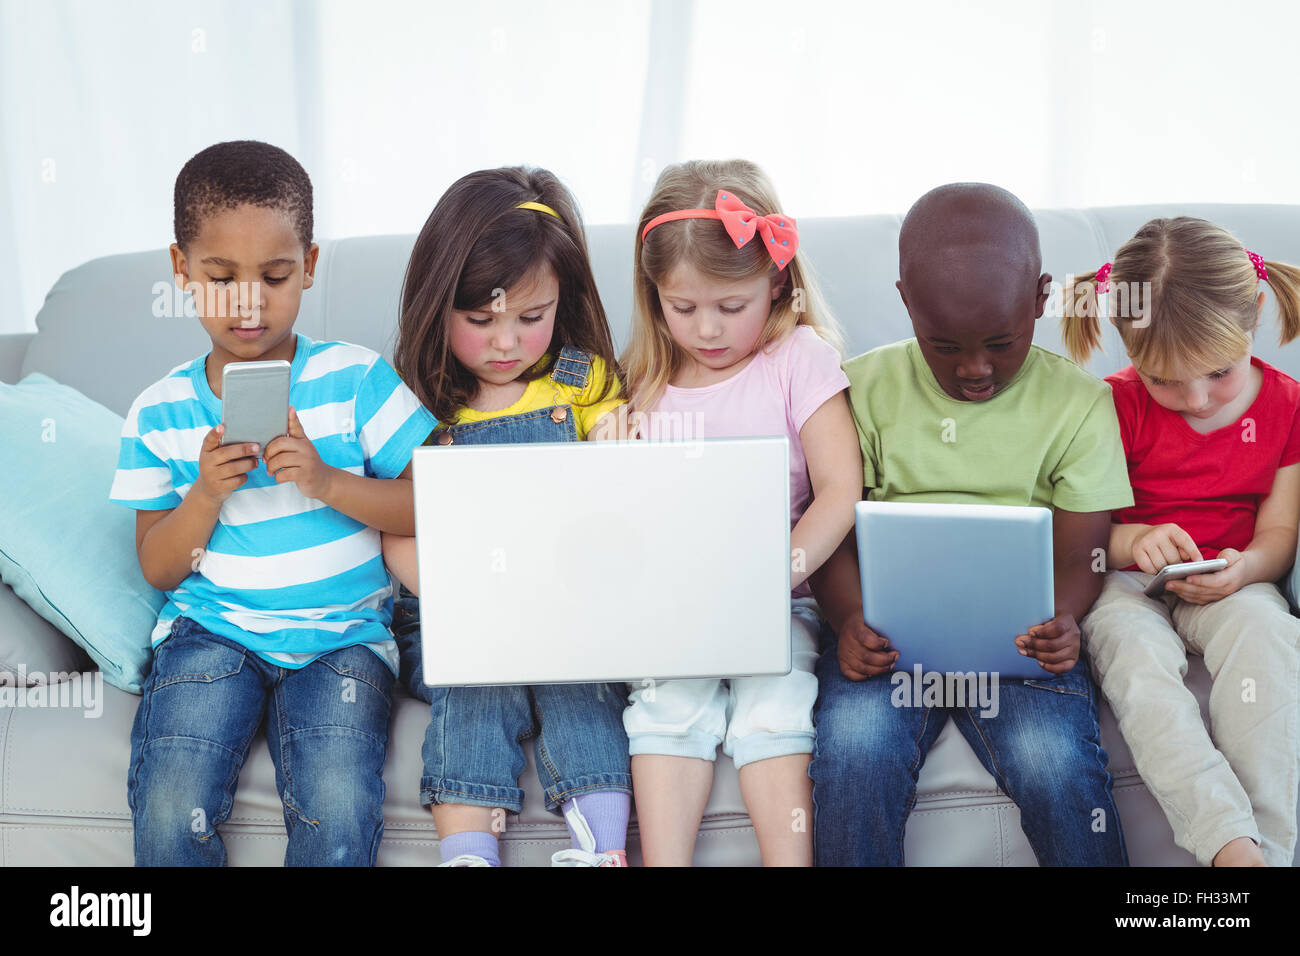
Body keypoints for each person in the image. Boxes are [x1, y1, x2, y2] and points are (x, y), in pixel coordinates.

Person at [112, 140, 435, 865]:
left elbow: (434, 506)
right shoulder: (158, 412)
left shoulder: (356, 380)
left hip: (343, 636)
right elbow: (160, 568)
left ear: (311, 266)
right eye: (221, 277)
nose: (249, 302)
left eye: (277, 275)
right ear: (180, 270)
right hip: (213, 631)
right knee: (171, 800)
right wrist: (204, 496)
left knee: (339, 809)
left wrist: (327, 483)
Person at [809, 182, 1132, 866]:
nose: (975, 369)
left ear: (1042, 300)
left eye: (999, 343)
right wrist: (848, 620)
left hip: (1023, 642)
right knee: (855, 757)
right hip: (886, 640)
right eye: (945, 345)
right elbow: (831, 529)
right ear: (905, 302)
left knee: (1057, 766)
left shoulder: (1078, 403)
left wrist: (1064, 619)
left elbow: (1084, 554)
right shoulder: (856, 389)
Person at [382, 166, 633, 867]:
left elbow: (624, 494)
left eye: (532, 318)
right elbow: (397, 530)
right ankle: (468, 854)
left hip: (563, 605)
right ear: (439, 305)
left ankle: (601, 847)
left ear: (563, 300)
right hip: (457, 610)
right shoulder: (418, 406)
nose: (506, 342)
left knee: (579, 680)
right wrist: (465, 597)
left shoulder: (581, 381)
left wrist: (618, 446)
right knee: (476, 686)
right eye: (480, 320)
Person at [619, 159, 861, 866]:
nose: (708, 329)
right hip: (678, 605)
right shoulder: (646, 383)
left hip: (778, 596)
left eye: (732, 306)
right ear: (654, 295)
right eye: (683, 307)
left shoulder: (797, 358)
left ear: (777, 282)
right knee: (666, 705)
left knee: (775, 701)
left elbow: (841, 488)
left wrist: (777, 571)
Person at [1062, 216, 1300, 867]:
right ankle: (1227, 842)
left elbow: (1279, 534)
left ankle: (1269, 854)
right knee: (1134, 659)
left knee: (1270, 638)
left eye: (1218, 374)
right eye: (1164, 380)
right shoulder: (1109, 407)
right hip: (1127, 585)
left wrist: (1246, 567)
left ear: (1253, 315)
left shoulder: (1286, 407)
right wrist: (1134, 537)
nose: (1194, 400)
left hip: (1232, 578)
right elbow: (1081, 535)